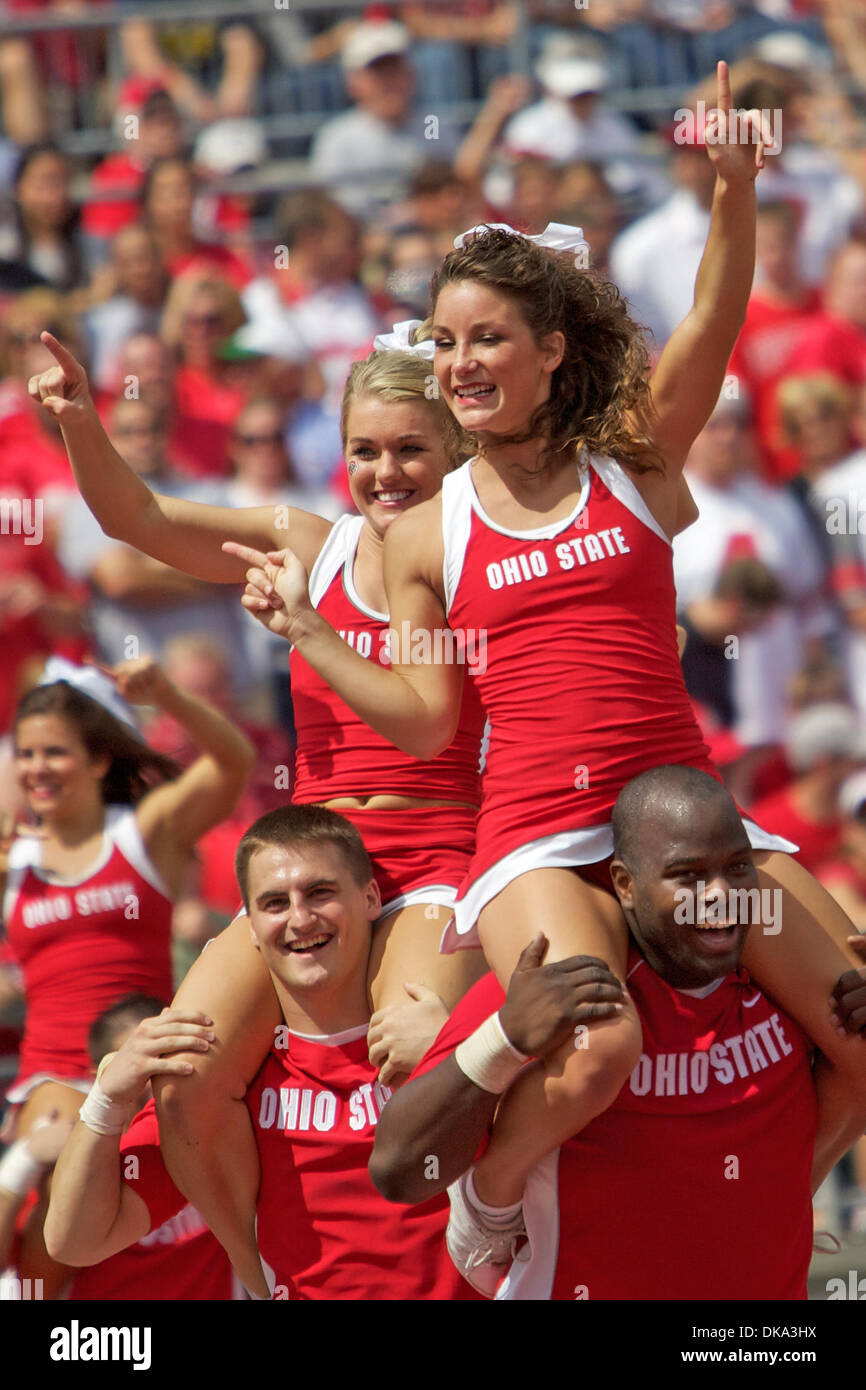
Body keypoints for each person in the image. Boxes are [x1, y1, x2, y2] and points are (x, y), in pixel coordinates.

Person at [238, 63, 866, 1277]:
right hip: (538, 832)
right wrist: (309, 635)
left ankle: (772, 1198)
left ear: (549, 348)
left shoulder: (630, 462)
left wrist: (732, 187)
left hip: (684, 821)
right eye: (445, 341)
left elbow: (710, 322)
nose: (461, 361)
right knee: (595, 1048)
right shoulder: (423, 530)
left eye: (486, 338)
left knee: (853, 1015)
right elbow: (428, 723)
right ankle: (488, 1202)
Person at [27, 326, 487, 1294]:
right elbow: (138, 516)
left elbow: (423, 729)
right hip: (312, 860)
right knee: (188, 1072)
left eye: (410, 448)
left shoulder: (480, 558)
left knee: (417, 1047)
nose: (385, 471)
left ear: (457, 448)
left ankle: (485, 1252)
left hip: (436, 856)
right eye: (364, 449)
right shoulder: (308, 541)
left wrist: (307, 631)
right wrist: (78, 420)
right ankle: (255, 1269)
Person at [43, 806, 536, 1300]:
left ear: (370, 898)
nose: (300, 919)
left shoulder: (455, 1028)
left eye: (320, 893)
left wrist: (460, 1059)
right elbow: (75, 1240)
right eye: (275, 903)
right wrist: (107, 1099)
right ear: (249, 929)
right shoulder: (219, 1089)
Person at [371, 766, 824, 1300]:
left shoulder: (791, 991)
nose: (721, 894)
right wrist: (505, 1038)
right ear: (625, 885)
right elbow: (399, 1171)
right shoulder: (566, 989)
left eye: (738, 867)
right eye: (688, 876)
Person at [1, 655, 254, 1295]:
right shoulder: (13, 859)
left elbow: (233, 764)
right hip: (52, 1071)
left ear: (98, 760)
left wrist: (166, 694)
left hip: (147, 1054)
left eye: (54, 752)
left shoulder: (144, 832)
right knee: (61, 1186)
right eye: (25, 754)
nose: (36, 768)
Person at [5, 993, 236, 1300]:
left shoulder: (219, 1142)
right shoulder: (74, 1172)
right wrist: (25, 1159)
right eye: (138, 1066)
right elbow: (33, 1291)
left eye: (166, 1062)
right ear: (100, 1078)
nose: (154, 1084)